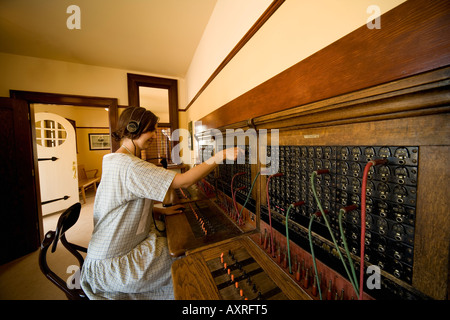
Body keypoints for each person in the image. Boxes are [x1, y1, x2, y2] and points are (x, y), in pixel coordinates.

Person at [80, 106, 240, 300]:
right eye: (151, 130)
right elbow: (184, 181)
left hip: (106, 258)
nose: (155, 136)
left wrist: (159, 212)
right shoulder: (129, 165)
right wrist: (220, 156)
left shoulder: (115, 160)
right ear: (133, 129)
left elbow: (121, 205)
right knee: (188, 258)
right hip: (114, 265)